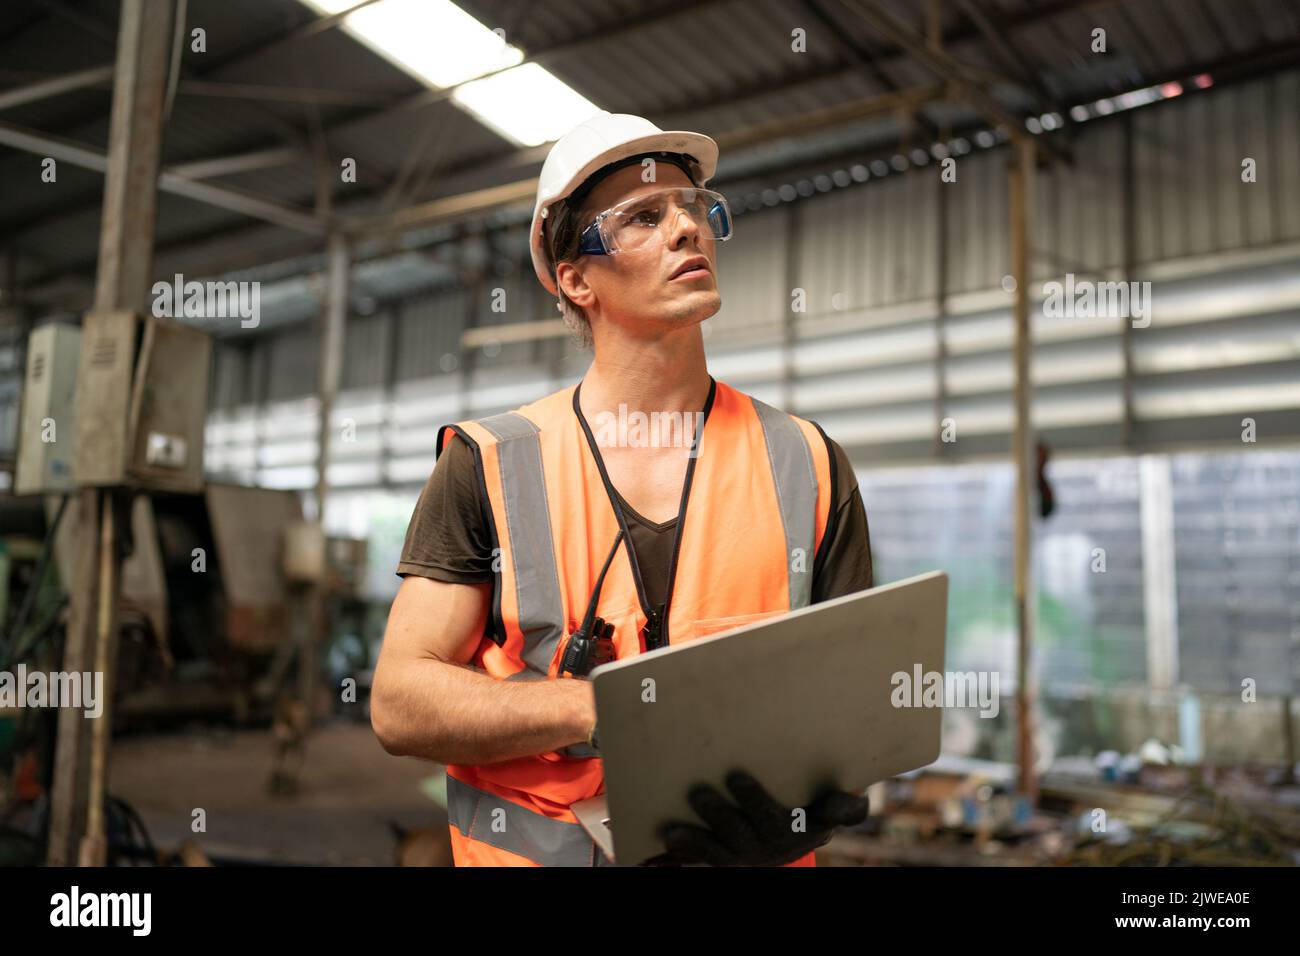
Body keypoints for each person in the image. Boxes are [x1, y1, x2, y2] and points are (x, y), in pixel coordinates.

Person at [373, 112, 874, 866]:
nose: (686, 229)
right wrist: (600, 708)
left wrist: (814, 799)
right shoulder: (490, 464)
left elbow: (852, 694)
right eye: (643, 216)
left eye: (693, 207)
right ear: (576, 279)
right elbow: (400, 701)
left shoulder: (807, 461)